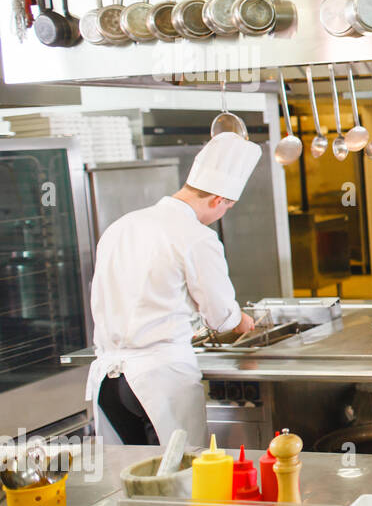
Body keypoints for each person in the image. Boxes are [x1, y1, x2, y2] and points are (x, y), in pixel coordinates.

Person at [88, 131, 262, 445]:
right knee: (178, 478)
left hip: (110, 382)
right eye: (227, 207)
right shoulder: (196, 236)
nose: (222, 215)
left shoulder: (122, 226)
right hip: (158, 381)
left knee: (132, 479)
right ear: (217, 200)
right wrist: (243, 322)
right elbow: (222, 317)